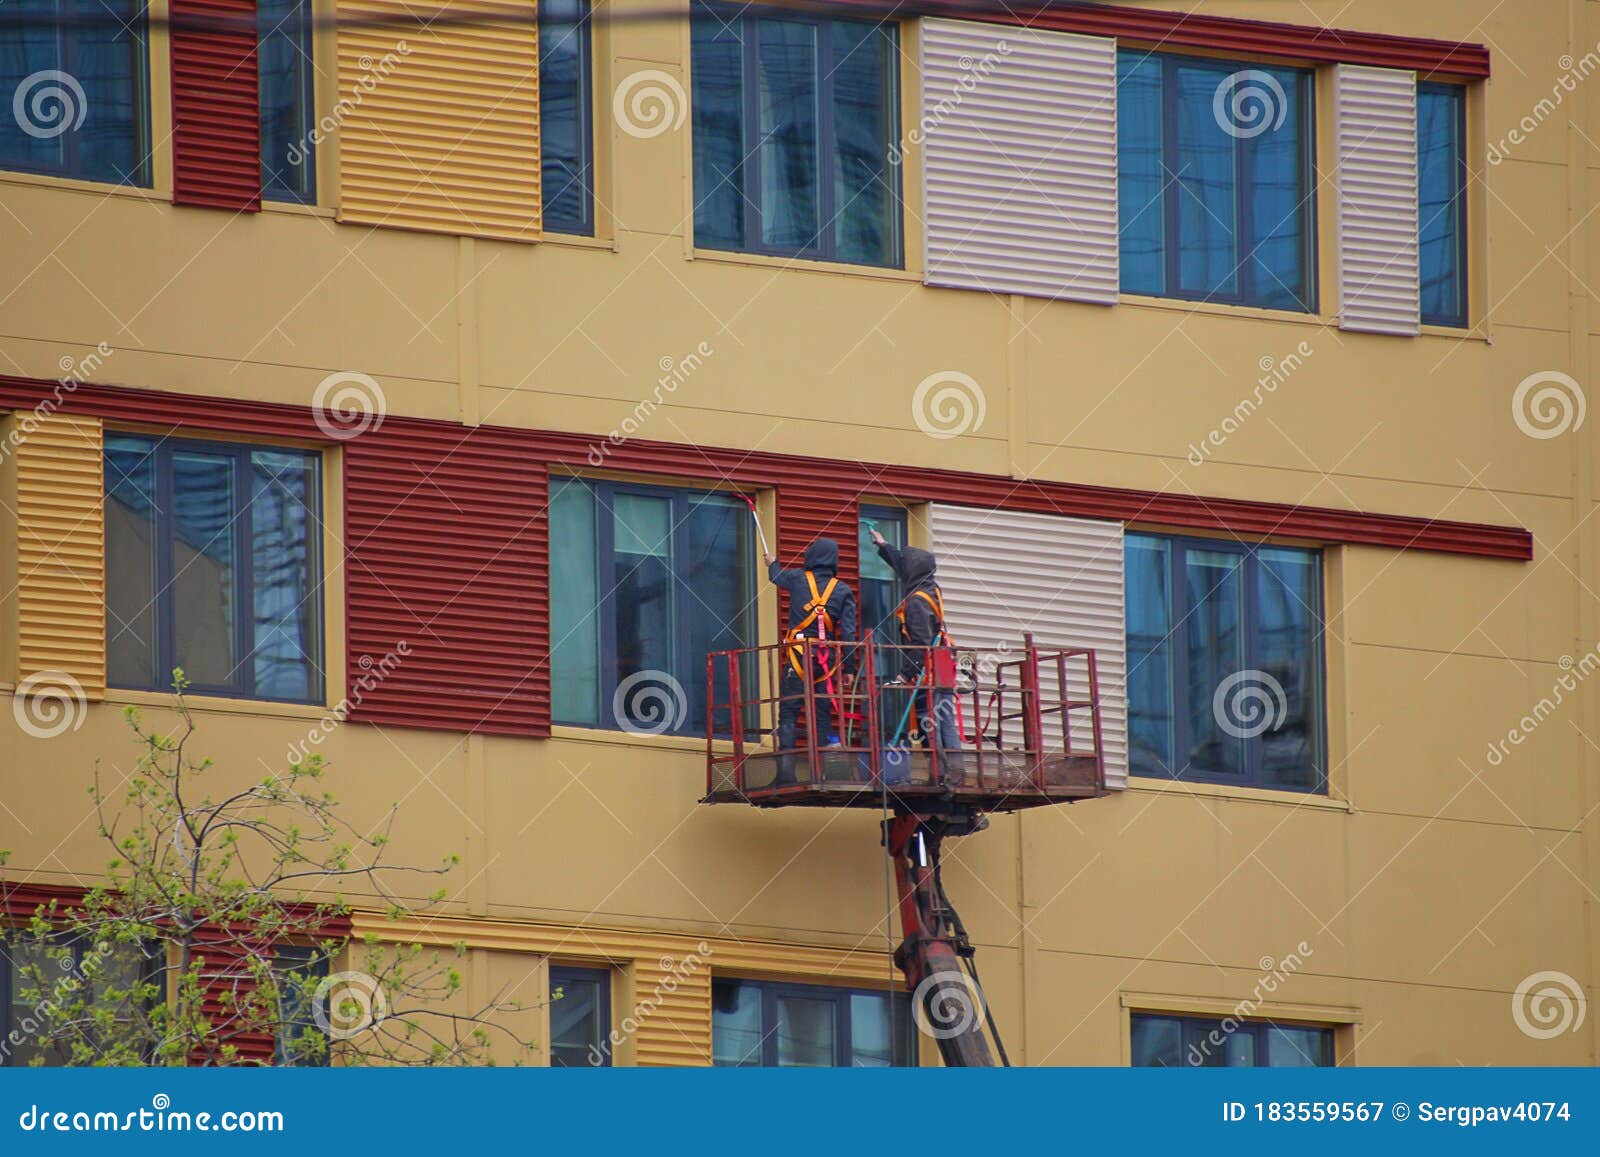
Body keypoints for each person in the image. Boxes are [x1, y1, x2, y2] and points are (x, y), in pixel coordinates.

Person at [870, 529, 964, 785]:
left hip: (929, 668)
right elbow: (905, 566)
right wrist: (884, 544)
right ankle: (952, 773)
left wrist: (905, 673)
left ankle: (947, 775)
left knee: (933, 721)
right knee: (942, 719)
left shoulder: (916, 604)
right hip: (941, 663)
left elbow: (921, 643)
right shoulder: (929, 587)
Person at [766, 538, 857, 784]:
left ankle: (785, 774)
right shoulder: (843, 590)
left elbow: (776, 577)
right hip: (824, 661)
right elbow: (848, 634)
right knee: (822, 713)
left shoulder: (797, 578)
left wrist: (772, 563)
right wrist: (850, 668)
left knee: (788, 712)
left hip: (798, 655)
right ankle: (824, 773)